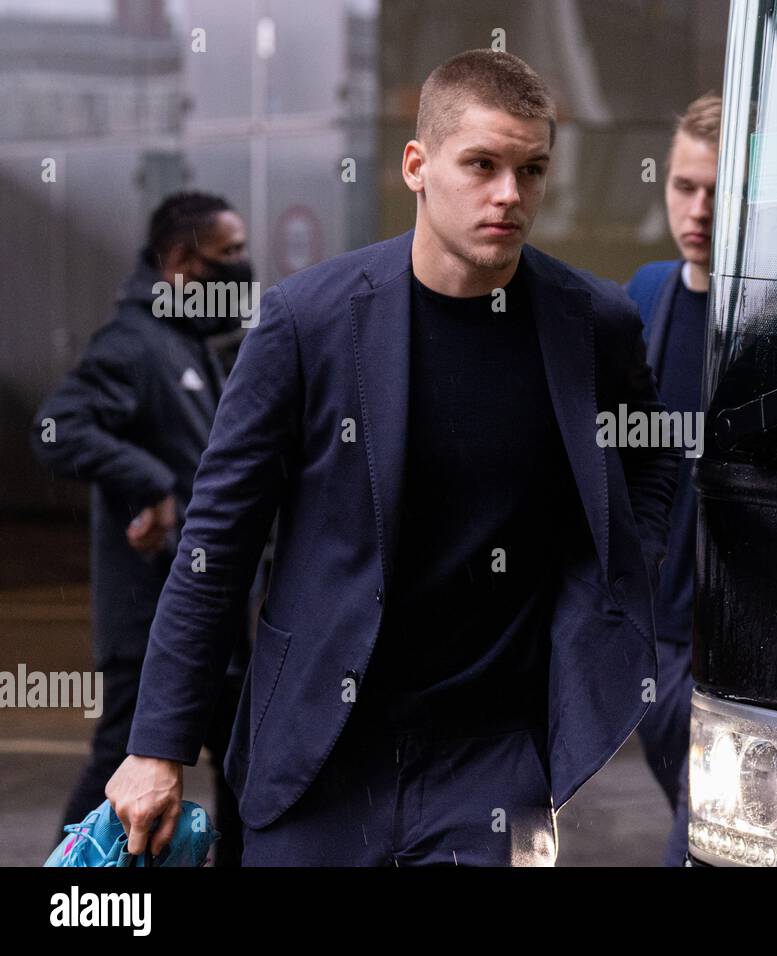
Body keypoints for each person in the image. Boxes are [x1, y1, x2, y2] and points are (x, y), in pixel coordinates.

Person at [104, 49, 677, 866]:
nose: (509, 195)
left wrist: (630, 557)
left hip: (493, 761)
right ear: (417, 164)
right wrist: (157, 742)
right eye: (481, 164)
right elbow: (215, 544)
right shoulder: (305, 324)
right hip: (316, 752)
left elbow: (651, 449)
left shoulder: (593, 323)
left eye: (532, 169)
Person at [29, 191, 255, 866]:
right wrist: (149, 482)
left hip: (209, 624)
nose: (244, 267)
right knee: (119, 783)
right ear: (184, 261)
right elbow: (58, 427)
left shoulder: (189, 348)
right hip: (149, 629)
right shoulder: (133, 343)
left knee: (251, 775)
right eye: (231, 253)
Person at [626, 93, 720, 866]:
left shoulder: (774, 307)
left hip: (739, 641)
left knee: (700, 836)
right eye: (684, 187)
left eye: (716, 192)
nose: (695, 209)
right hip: (655, 634)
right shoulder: (648, 293)